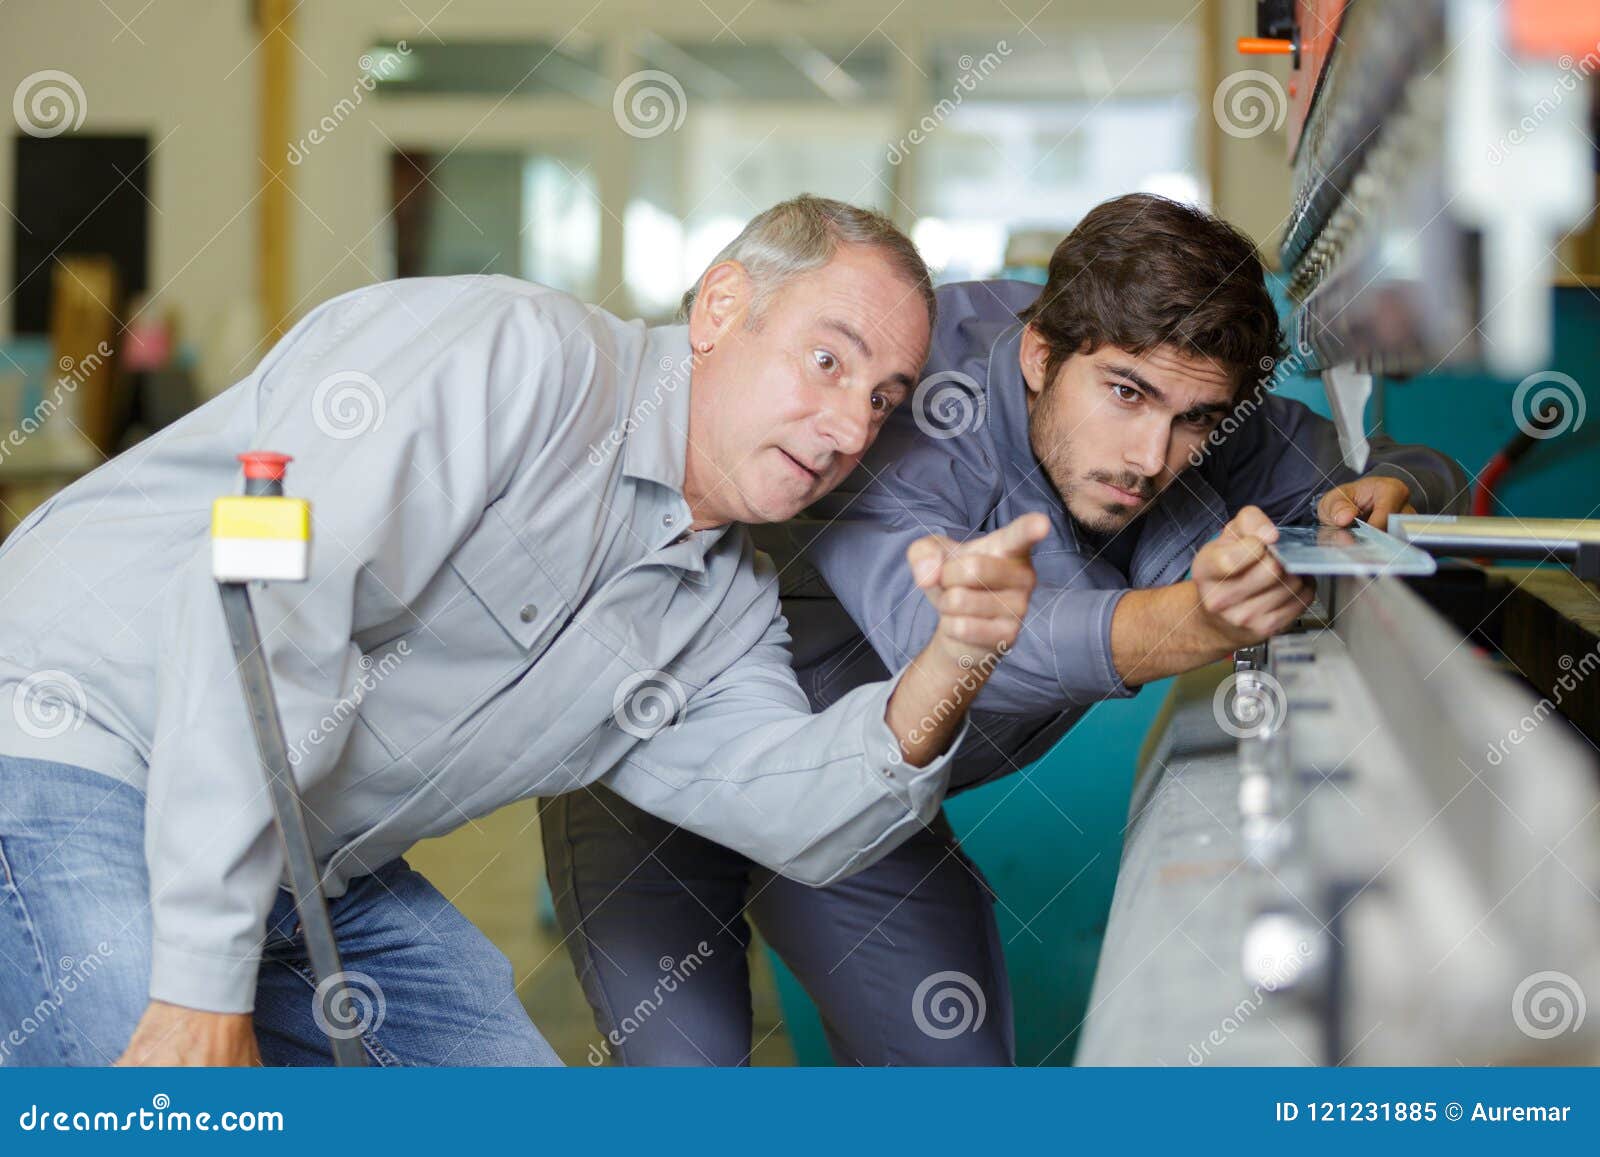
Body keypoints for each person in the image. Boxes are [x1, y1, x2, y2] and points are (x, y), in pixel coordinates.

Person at [0, 195, 1046, 1067]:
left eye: (883, 399)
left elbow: (800, 809)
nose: (849, 428)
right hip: (71, 743)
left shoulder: (719, 609)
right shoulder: (508, 361)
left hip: (295, 860)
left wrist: (954, 655)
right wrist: (197, 978)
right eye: (828, 361)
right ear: (723, 305)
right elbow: (267, 613)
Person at [543, 193, 1468, 1065]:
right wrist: (1190, 621)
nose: (1151, 458)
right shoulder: (904, 396)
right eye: (1125, 396)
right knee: (687, 1082)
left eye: (1194, 420)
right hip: (651, 766)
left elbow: (1393, 468)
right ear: (1038, 356)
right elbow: (952, 643)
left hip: (860, 793)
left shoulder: (1186, 378)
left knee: (958, 1080)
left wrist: (1401, 488)